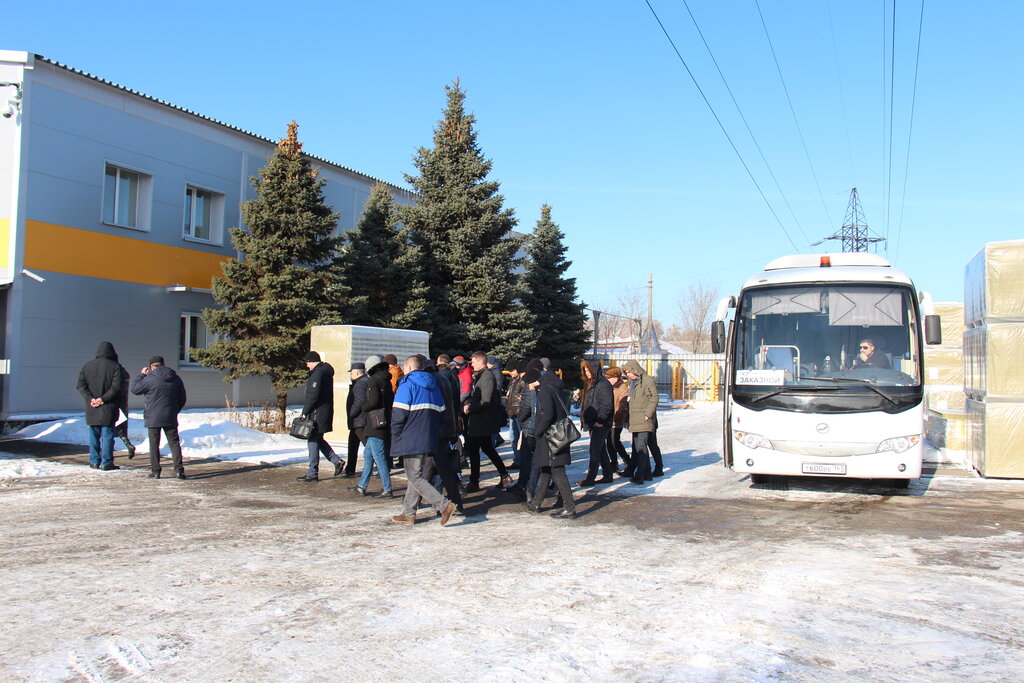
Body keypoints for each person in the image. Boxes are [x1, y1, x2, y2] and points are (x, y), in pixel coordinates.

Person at [388, 355, 457, 526]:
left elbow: (399, 414)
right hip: (429, 436)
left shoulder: (407, 384)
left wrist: (395, 435)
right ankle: (409, 513)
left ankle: (444, 505)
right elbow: (443, 412)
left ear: (409, 368)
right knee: (415, 475)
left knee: (414, 476)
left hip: (410, 436)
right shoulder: (433, 385)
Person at [524, 367, 576, 519]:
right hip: (552, 436)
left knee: (557, 471)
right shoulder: (551, 386)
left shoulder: (544, 390)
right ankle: (536, 504)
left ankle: (569, 507)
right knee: (546, 469)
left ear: (533, 381)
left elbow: (547, 415)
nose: (528, 387)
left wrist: (536, 433)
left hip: (550, 438)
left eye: (528, 383)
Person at [130, 355, 187, 479]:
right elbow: (182, 397)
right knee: (174, 443)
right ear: (163, 364)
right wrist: (174, 410)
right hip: (170, 415)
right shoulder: (175, 378)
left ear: (151, 367)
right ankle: (179, 470)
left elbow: (135, 389)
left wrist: (142, 375)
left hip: (153, 416)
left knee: (154, 444)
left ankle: (156, 471)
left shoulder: (150, 379)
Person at [462, 351, 513, 492]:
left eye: (473, 362)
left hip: (482, 420)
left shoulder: (487, 377)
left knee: (474, 450)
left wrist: (470, 408)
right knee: (487, 449)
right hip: (480, 420)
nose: (471, 364)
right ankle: (504, 475)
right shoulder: (481, 376)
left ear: (481, 362)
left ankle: (474, 482)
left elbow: (486, 400)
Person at [423, 355, 465, 516]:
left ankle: (417, 504)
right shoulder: (446, 380)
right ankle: (454, 503)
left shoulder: (432, 383)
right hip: (446, 428)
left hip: (435, 430)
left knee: (423, 472)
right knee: (441, 469)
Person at [348, 355, 394, 498]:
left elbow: (373, 402)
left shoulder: (374, 380)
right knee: (368, 455)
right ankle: (362, 486)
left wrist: (363, 407)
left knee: (379, 457)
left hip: (375, 424)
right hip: (383, 421)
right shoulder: (386, 379)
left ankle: (387, 488)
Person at [295, 351, 344, 483]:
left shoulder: (317, 374)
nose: (306, 366)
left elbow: (313, 395)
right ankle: (336, 461)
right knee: (318, 440)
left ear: (311, 361)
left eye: (307, 363)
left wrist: (305, 411)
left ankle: (312, 473)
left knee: (313, 441)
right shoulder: (325, 372)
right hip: (324, 412)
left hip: (317, 413)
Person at [76, 341, 123, 470]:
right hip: (108, 407)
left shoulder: (87, 366)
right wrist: (103, 399)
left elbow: (80, 385)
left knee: (93, 435)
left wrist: (91, 399)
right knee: (108, 435)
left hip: (92, 407)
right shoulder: (115, 367)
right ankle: (107, 462)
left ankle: (94, 461)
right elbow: (116, 388)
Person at [621, 359, 659, 484]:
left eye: (629, 372)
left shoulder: (647, 381)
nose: (628, 375)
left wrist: (648, 414)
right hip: (635, 419)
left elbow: (653, 398)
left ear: (634, 370)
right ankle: (647, 473)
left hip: (643, 419)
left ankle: (640, 475)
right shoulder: (634, 383)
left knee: (641, 447)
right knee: (638, 447)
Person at [578, 359, 614, 486]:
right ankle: (608, 475)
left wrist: (600, 420)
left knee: (594, 451)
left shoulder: (603, 384)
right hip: (593, 422)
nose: (587, 373)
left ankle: (590, 478)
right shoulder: (591, 383)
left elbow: (607, 405)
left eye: (589, 370)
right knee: (601, 450)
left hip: (600, 423)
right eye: (585, 370)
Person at [604, 367, 631, 473]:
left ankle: (627, 460)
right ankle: (614, 463)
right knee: (609, 443)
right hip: (608, 419)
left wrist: (618, 415)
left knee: (615, 442)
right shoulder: (608, 387)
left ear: (615, 378)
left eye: (610, 378)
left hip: (616, 419)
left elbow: (623, 404)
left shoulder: (622, 387)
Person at [343, 361, 366, 477]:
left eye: (351, 373)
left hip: (359, 420)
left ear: (356, 373)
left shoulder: (361, 383)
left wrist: (352, 413)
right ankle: (350, 469)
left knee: (368, 445)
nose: (350, 375)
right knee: (352, 445)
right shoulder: (359, 382)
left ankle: (382, 466)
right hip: (356, 421)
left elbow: (359, 401)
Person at [111, 349, 136, 459]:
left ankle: (108, 453)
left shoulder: (113, 371)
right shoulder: (123, 372)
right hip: (123, 404)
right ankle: (128, 445)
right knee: (121, 429)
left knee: (109, 430)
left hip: (113, 404)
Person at [505, 360, 528, 468]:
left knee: (519, 438)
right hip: (513, 413)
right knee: (513, 438)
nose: (509, 372)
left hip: (519, 413)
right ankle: (518, 459)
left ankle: (522, 459)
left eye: (511, 370)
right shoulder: (513, 381)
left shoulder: (522, 382)